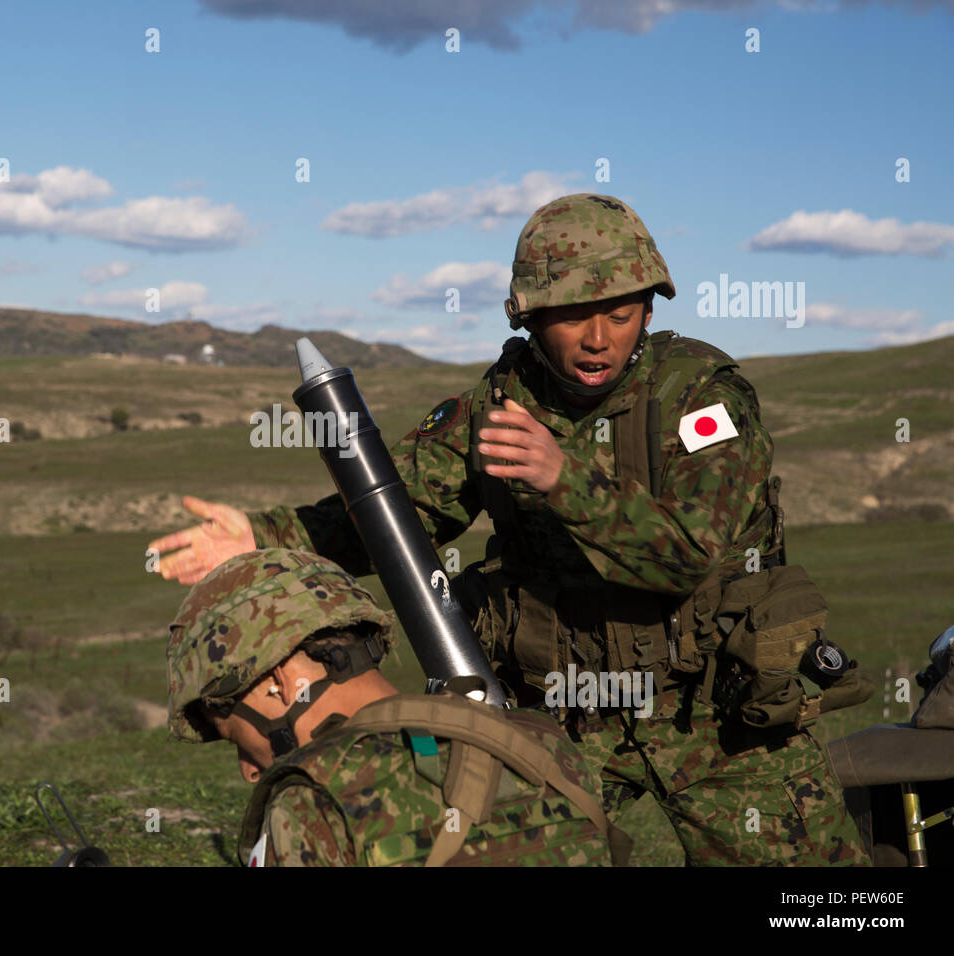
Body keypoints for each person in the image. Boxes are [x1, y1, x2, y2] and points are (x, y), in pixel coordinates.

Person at [150, 193, 868, 865]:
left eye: (620, 315)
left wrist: (563, 480)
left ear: (649, 310)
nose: (598, 340)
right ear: (527, 315)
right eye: (572, 317)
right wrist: (264, 535)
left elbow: (690, 551)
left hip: (716, 715)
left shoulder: (702, 399)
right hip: (562, 716)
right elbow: (397, 516)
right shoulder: (496, 404)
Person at [167, 548, 612, 866]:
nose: (248, 770)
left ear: (278, 684)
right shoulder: (545, 744)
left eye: (234, 736)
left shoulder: (313, 804)